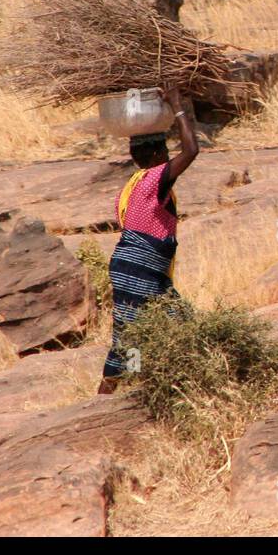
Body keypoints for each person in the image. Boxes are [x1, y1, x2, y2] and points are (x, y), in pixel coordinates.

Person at [98, 86, 198, 394]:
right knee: (129, 336)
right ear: (156, 155)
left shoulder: (130, 186)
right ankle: (106, 397)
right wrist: (178, 106)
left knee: (175, 323)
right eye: (166, 154)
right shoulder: (155, 177)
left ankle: (161, 385)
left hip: (135, 266)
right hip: (139, 269)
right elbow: (192, 150)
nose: (170, 158)